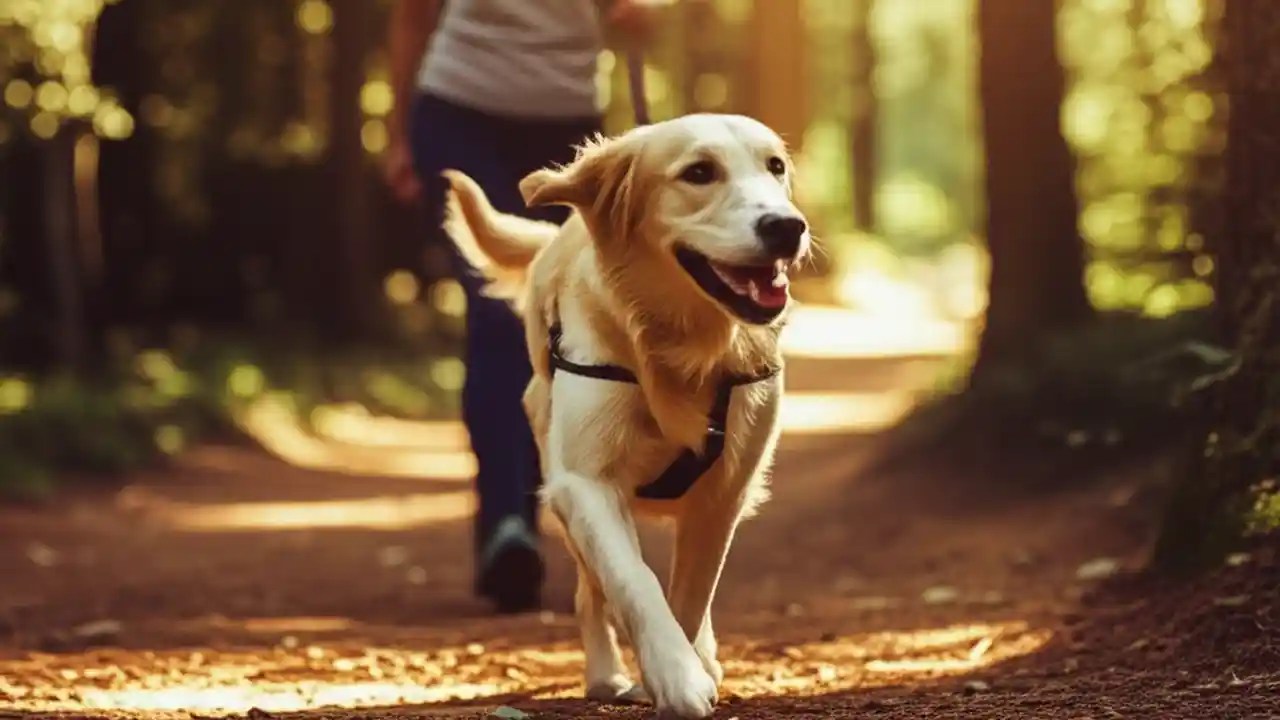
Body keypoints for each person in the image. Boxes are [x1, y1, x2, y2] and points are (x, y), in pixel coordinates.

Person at [384, 0, 654, 613]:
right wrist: (400, 133)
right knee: (497, 313)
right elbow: (411, 15)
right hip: (458, 114)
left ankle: (584, 509)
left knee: (574, 319)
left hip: (569, 126)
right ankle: (508, 520)